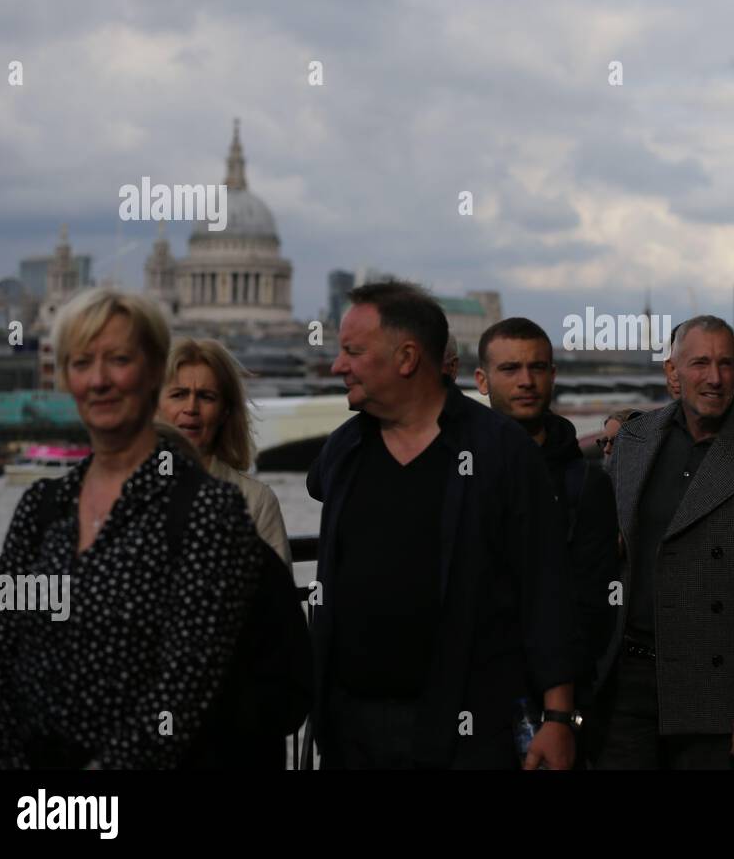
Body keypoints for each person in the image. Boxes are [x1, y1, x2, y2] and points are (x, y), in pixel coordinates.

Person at [0, 288, 288, 768]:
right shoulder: (43, 506)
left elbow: (185, 684)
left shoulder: (213, 511)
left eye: (118, 360)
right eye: (80, 362)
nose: (98, 380)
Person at [306, 281, 575, 769]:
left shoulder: (502, 452)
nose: (336, 365)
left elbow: (546, 591)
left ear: (407, 358)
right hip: (350, 732)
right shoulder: (343, 452)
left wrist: (557, 720)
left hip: (468, 730)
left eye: (352, 351)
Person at [593, 315, 734, 769]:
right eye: (700, 363)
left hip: (717, 693)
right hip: (627, 680)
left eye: (727, 364)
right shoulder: (634, 439)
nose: (715, 378)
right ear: (672, 372)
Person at [475, 317, 619, 757]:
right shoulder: (458, 467)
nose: (526, 381)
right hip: (472, 693)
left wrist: (563, 708)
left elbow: (591, 606)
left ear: (553, 375)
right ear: (481, 380)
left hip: (553, 702)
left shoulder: (585, 483)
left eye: (537, 368)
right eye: (510, 369)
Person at [158, 338, 291, 565]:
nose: (191, 408)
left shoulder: (256, 501)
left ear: (225, 412)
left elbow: (277, 596)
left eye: (206, 397)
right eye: (179, 394)